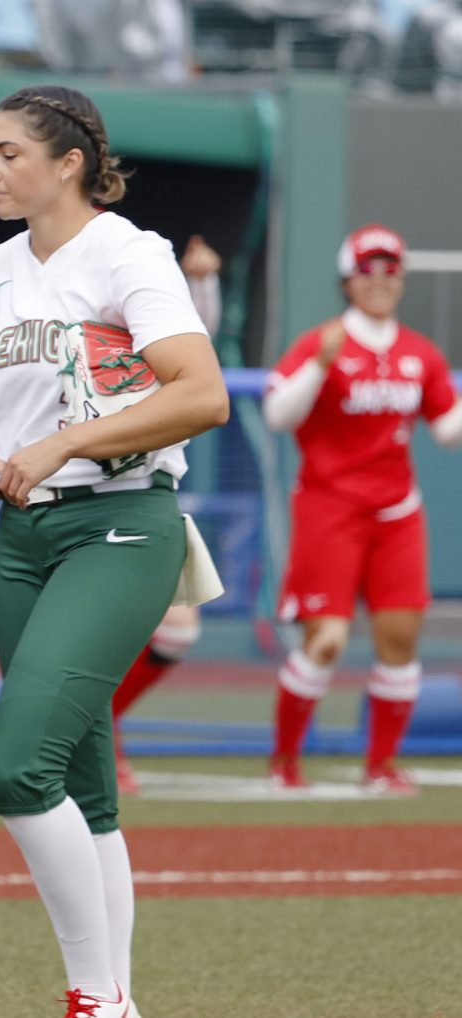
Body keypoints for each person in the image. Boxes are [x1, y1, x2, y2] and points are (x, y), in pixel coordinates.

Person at [0, 85, 227, 1017]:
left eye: (8, 152)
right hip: (22, 534)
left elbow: (203, 395)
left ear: (68, 164)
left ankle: (94, 999)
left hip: (121, 519)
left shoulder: (129, 253)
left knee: (19, 766)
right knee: (81, 788)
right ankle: (119, 1006)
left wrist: (65, 441)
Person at [264, 223, 462, 795]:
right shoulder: (322, 340)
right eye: (368, 270)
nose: (380, 280)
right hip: (330, 507)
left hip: (398, 513)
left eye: (390, 269)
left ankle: (380, 766)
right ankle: (285, 762)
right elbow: (279, 415)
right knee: (325, 641)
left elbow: (447, 430)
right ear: (347, 279)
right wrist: (320, 366)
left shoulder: (418, 353)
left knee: (399, 641)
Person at [109, 233, 222, 795]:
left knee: (176, 629)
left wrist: (203, 282)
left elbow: (195, 346)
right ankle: (86, 730)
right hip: (70, 491)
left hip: (147, 488)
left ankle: (101, 719)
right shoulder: (57, 296)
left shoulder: (149, 300)